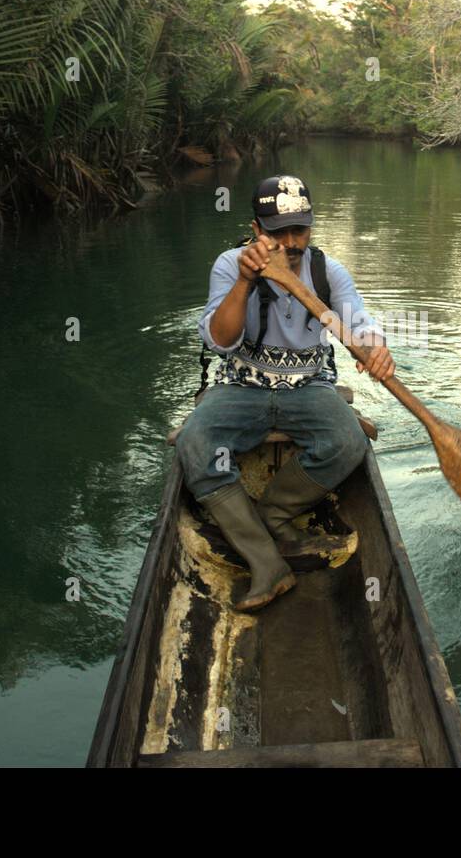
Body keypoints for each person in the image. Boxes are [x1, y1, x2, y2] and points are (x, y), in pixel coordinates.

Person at [176, 174, 395, 612]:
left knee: (348, 443)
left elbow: (360, 324)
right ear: (257, 230)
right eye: (279, 232)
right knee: (195, 444)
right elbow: (219, 341)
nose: (291, 243)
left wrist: (376, 348)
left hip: (308, 386)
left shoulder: (325, 271)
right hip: (244, 386)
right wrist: (244, 282)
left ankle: (270, 513)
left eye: (300, 230)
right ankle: (267, 561)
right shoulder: (228, 265)